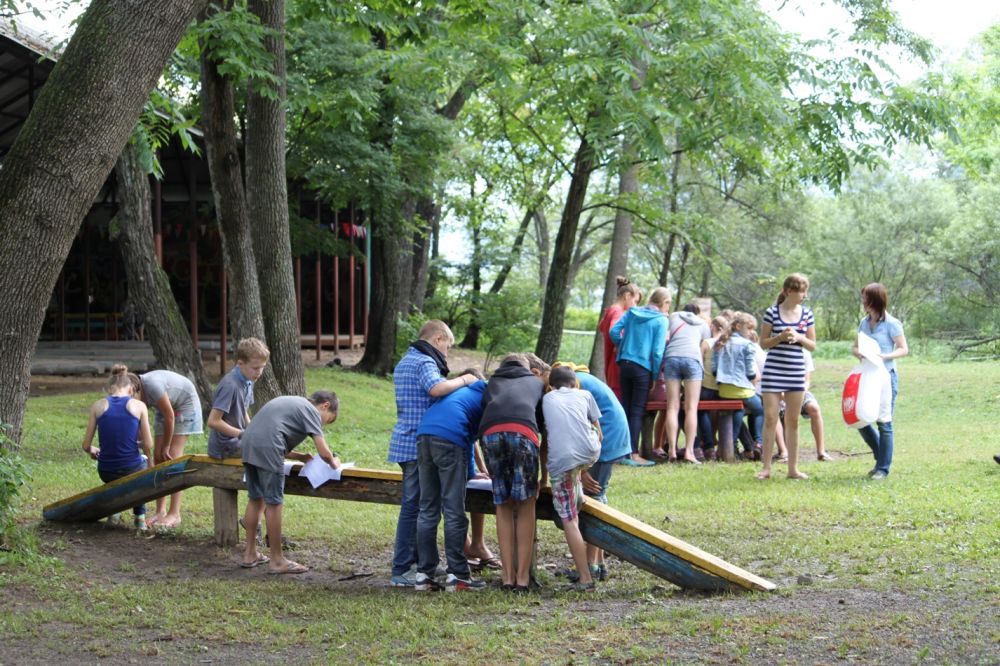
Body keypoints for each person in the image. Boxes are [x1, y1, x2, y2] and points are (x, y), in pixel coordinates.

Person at [388, 320, 478, 587]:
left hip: (406, 440)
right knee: (415, 506)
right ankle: (403, 567)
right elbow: (436, 389)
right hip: (420, 441)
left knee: (420, 506)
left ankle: (420, 565)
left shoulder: (405, 360)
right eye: (448, 345)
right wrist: (465, 380)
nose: (447, 352)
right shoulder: (425, 361)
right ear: (438, 339)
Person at [240, 391, 340, 574]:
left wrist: (300, 456)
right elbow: (324, 453)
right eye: (327, 420)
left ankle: (250, 553)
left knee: (256, 499)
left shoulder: (291, 402)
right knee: (274, 503)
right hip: (268, 448)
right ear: (325, 405)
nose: (323, 425)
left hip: (248, 443)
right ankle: (277, 560)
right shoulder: (311, 410)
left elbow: (269, 433)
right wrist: (335, 462)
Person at [413, 368, 489, 592]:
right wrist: (473, 472)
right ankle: (458, 576)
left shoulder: (458, 395)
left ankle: (423, 575)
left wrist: (471, 473)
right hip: (449, 440)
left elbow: (467, 436)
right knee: (454, 510)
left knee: (427, 508)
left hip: (423, 437)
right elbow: (469, 438)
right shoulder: (486, 395)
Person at [479, 353, 546, 592]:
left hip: (490, 435)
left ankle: (506, 577)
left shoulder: (492, 383)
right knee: (527, 504)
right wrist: (544, 478)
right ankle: (522, 579)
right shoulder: (537, 383)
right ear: (527, 368)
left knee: (503, 504)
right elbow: (541, 427)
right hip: (523, 434)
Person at [542, 365, 602, 592]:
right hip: (591, 452)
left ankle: (585, 578)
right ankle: (579, 493)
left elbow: (547, 440)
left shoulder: (547, 399)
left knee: (569, 521)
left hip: (563, 461)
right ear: (575, 383)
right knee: (574, 477)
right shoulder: (585, 394)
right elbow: (599, 430)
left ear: (551, 385)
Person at [80, 364, 154, 532]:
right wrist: (149, 460)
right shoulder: (139, 406)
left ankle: (114, 512)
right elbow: (148, 444)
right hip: (132, 468)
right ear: (130, 389)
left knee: (116, 478)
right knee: (138, 476)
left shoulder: (97, 406)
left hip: (106, 470)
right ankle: (140, 518)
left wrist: (93, 450)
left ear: (109, 389)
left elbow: (85, 445)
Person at [757, 273, 816, 480]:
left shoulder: (807, 314)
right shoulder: (772, 312)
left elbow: (813, 345)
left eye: (805, 290)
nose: (803, 295)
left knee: (793, 420)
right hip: (773, 371)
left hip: (796, 371)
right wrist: (780, 337)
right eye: (800, 290)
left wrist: (799, 337)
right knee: (771, 418)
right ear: (788, 291)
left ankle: (793, 469)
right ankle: (766, 468)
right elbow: (762, 343)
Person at [851, 283, 908, 480]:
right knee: (860, 419)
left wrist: (884, 356)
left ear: (875, 300)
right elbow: (855, 347)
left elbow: (903, 348)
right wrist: (858, 352)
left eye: (866, 298)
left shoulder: (892, 323)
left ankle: (883, 468)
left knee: (884, 422)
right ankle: (880, 455)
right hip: (866, 376)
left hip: (886, 376)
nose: (863, 302)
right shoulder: (863, 323)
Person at [609, 287, 671, 466]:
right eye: (668, 304)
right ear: (664, 303)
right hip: (642, 368)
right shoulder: (661, 320)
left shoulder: (632, 312)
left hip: (624, 364)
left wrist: (623, 346)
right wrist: (654, 376)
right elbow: (658, 352)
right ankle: (633, 454)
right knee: (637, 411)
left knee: (625, 409)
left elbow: (614, 332)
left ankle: (620, 452)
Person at [140, 369, 203, 527]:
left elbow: (169, 416)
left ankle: (175, 514)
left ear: (134, 389)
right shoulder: (136, 393)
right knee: (158, 458)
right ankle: (160, 511)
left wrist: (166, 445)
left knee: (172, 456)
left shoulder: (151, 386)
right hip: (168, 406)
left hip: (184, 403)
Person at [662, 303, 711, 463]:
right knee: (691, 408)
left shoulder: (674, 316)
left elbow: (666, 336)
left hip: (672, 357)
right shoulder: (703, 324)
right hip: (692, 359)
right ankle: (689, 451)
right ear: (697, 313)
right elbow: (702, 344)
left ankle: (671, 451)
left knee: (672, 407)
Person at [206, 337, 269, 460]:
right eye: (256, 368)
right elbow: (213, 421)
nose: (259, 372)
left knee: (270, 442)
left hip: (237, 439)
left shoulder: (249, 379)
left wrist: (252, 431)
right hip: (225, 446)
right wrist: (242, 434)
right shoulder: (230, 386)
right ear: (240, 364)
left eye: (263, 367)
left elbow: (243, 409)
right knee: (267, 450)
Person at [712, 312, 758, 459]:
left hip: (724, 390)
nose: (751, 332)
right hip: (742, 389)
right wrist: (751, 378)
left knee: (738, 410)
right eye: (749, 328)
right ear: (738, 326)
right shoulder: (747, 344)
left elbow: (714, 368)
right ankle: (759, 442)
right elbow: (751, 371)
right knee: (761, 410)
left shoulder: (720, 342)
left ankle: (731, 444)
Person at [596, 277, 643, 398]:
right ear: (627, 296)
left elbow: (601, 326)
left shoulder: (610, 310)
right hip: (617, 365)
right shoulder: (618, 313)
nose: (636, 306)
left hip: (611, 366)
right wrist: (622, 346)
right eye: (635, 301)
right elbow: (613, 331)